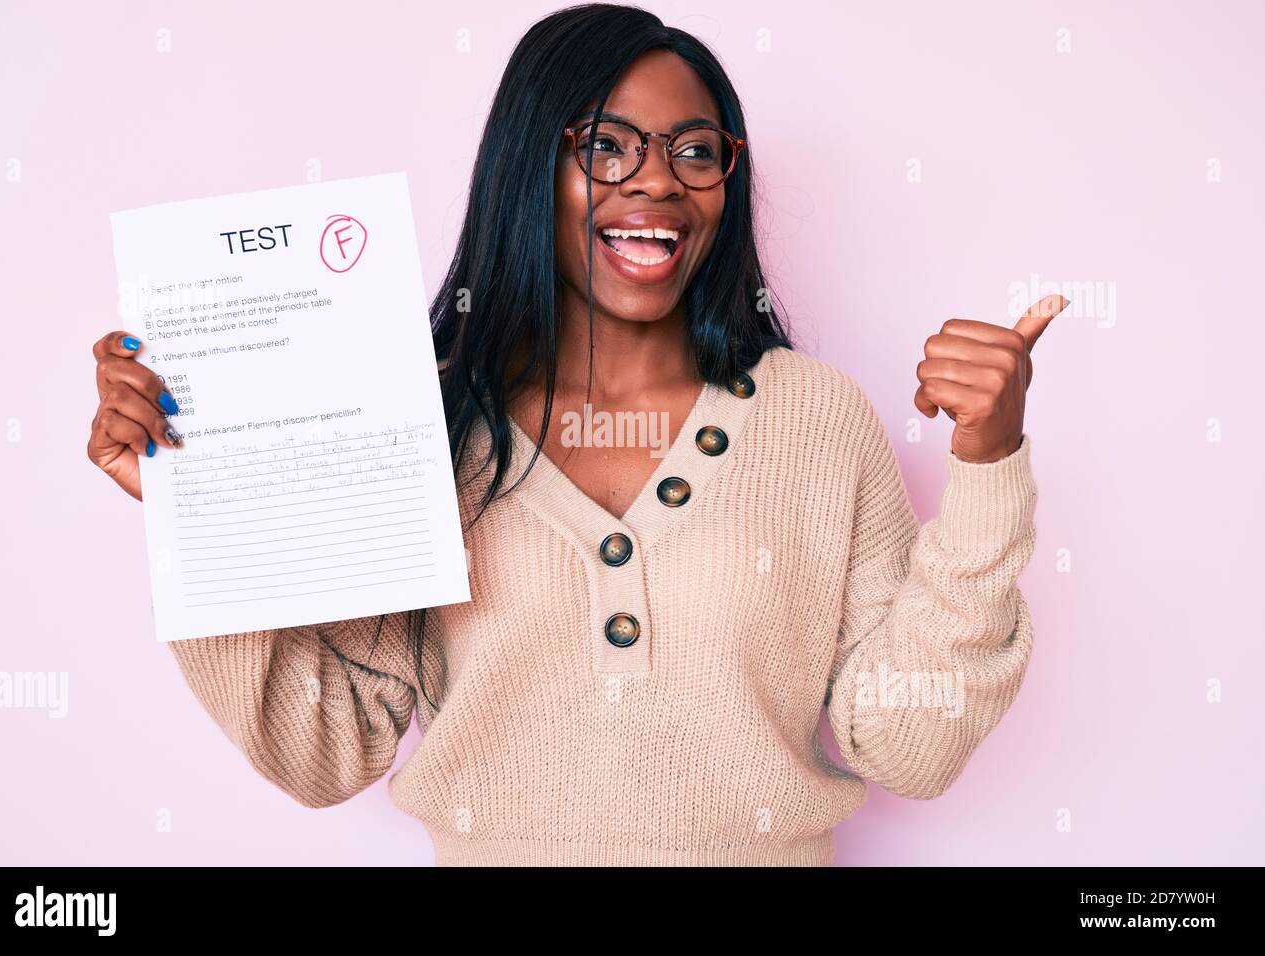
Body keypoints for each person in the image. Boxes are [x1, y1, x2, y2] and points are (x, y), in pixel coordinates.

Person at [87, 3, 1061, 866]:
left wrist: (984, 464)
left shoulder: (816, 418)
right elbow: (326, 746)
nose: (658, 182)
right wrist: (192, 512)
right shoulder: (419, 421)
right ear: (526, 168)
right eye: (603, 145)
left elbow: (911, 746)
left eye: (693, 149)